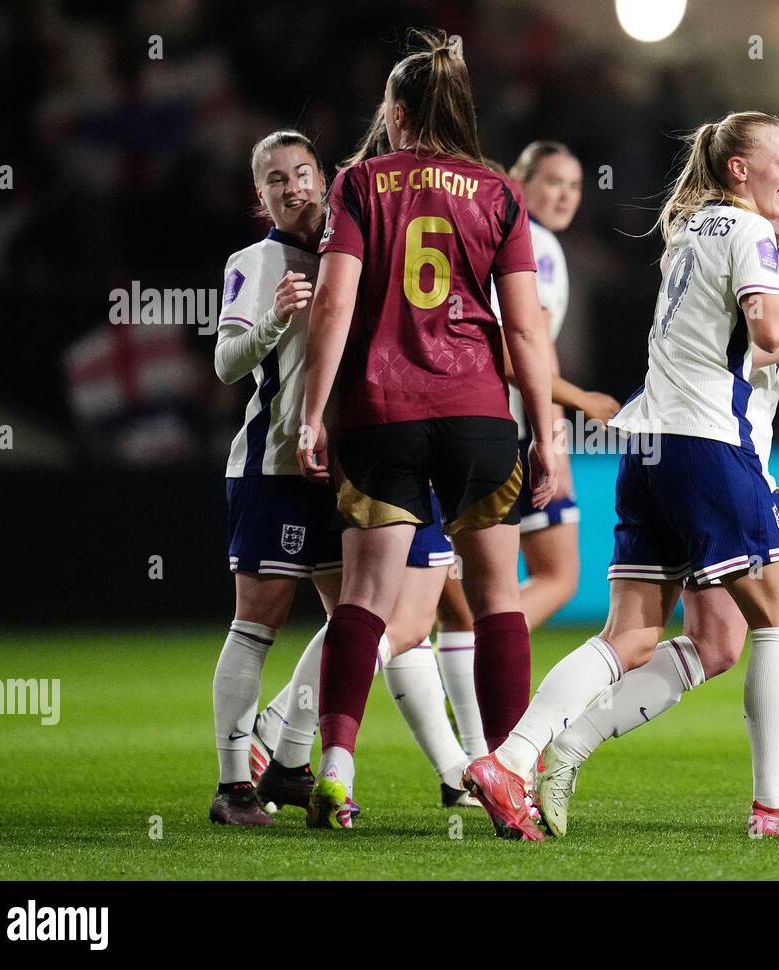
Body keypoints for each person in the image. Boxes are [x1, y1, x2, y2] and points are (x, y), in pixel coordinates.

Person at [464, 111, 779, 840]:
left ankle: (514, 757)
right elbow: (770, 337)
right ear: (742, 169)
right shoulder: (753, 240)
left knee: (636, 636)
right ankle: (777, 805)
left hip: (647, 446)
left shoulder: (694, 226)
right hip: (708, 445)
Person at [297, 29, 557, 830]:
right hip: (479, 414)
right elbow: (524, 330)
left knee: (366, 602)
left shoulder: (359, 183)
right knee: (495, 600)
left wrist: (313, 412)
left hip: (382, 413)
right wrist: (545, 430)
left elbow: (335, 304)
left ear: (399, 113)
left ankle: (335, 767)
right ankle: (509, 775)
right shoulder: (497, 193)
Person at [434, 140, 621, 760]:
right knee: (498, 596)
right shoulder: (533, 244)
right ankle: (495, 717)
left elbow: (535, 343)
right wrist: (577, 408)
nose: (565, 194)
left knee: (496, 591)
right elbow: (520, 353)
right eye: (551, 182)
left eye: (574, 184)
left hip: (496, 427)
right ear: (520, 181)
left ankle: (475, 687)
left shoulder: (526, 241)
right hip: (509, 434)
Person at [210, 130, 339, 826]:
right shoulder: (256, 262)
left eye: (301, 173)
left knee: (357, 622)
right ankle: (234, 786)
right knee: (258, 623)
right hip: (273, 465)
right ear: (259, 197)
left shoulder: (344, 252)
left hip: (335, 471)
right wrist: (271, 320)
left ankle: (289, 759)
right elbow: (227, 364)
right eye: (276, 180)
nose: (293, 187)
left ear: (322, 177)